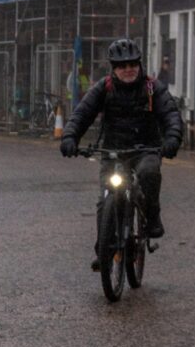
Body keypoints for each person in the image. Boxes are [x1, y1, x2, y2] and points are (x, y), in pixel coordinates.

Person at [60, 38, 184, 254]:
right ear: (113, 68)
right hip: (113, 151)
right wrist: (70, 137)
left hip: (145, 149)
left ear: (139, 65)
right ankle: (104, 250)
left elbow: (171, 115)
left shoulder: (153, 87)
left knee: (148, 173)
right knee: (106, 196)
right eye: (122, 66)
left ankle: (152, 216)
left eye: (132, 64)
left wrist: (172, 139)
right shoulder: (104, 87)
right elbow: (82, 114)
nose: (128, 69)